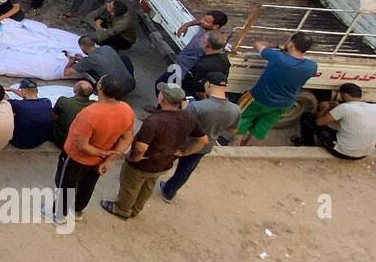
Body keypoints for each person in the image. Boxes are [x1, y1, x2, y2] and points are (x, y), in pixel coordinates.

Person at [102, 84, 207, 221]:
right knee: (148, 187)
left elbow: (141, 147)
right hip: (165, 162)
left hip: (143, 164)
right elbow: (203, 140)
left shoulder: (154, 121)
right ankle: (135, 209)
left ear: (163, 98)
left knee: (130, 187)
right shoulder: (188, 117)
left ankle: (122, 209)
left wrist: (135, 157)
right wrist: (184, 153)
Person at [47, 76, 135, 223]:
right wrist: (107, 159)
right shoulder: (126, 110)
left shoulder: (90, 113)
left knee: (66, 186)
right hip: (98, 160)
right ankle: (77, 211)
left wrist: (103, 154)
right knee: (87, 185)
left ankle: (59, 215)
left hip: (76, 158)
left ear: (100, 87)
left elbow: (82, 145)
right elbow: (127, 138)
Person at [158, 72, 241, 201]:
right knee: (185, 171)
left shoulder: (197, 106)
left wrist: (185, 107)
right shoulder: (235, 109)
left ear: (208, 84)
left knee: (163, 162)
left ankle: (149, 180)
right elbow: (233, 130)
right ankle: (169, 192)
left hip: (183, 143)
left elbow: (182, 125)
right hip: (205, 147)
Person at [237, 34, 319, 146]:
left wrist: (275, 45)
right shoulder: (311, 66)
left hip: (259, 98)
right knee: (263, 126)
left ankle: (235, 146)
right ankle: (246, 147)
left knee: (242, 121)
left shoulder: (278, 57)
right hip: (284, 103)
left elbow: (257, 44)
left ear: (291, 45)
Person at [298, 82, 376, 160]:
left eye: (341, 95)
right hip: (365, 153)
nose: (340, 97)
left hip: (343, 152)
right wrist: (338, 108)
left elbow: (318, 122)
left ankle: (306, 143)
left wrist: (323, 108)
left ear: (345, 94)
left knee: (307, 117)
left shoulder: (344, 108)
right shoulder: (373, 107)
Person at [64, 35, 135, 95]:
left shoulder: (90, 60)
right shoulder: (107, 48)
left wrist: (70, 62)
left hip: (114, 92)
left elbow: (66, 73)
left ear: (82, 47)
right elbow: (102, 61)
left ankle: (103, 91)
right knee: (124, 58)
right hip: (130, 85)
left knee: (88, 71)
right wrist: (83, 60)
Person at [9, 79, 54, 148]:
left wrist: (9, 89)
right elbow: (27, 96)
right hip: (40, 141)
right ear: (37, 91)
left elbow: (3, 98)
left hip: (19, 142)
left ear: (23, 92)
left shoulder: (18, 104)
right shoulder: (47, 102)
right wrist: (12, 90)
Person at [52, 80, 96, 150]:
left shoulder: (64, 101)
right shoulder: (95, 105)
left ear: (75, 90)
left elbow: (54, 117)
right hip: (84, 142)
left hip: (62, 140)